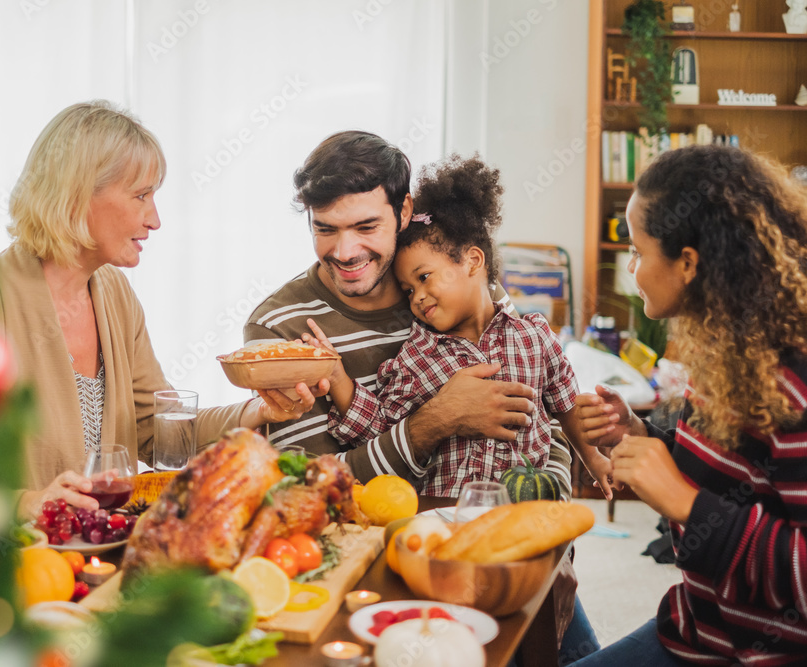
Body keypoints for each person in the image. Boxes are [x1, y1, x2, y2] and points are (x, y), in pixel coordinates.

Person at [244, 131, 599, 662]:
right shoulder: (283, 327)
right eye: (325, 229)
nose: (346, 251)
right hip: (376, 579)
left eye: (366, 226)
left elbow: (542, 406)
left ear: (404, 210)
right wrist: (435, 421)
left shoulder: (465, 290)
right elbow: (313, 497)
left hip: (510, 553)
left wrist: (537, 496)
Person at [0, 101, 317, 521]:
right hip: (19, 568)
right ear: (77, 194)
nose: (154, 219)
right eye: (141, 196)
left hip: (109, 553)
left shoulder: (115, 292)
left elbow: (155, 430)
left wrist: (259, 410)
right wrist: (29, 503)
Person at [571, 145, 807, 666]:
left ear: (688, 263)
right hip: (698, 628)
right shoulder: (730, 351)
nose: (631, 269)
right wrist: (642, 435)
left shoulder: (794, 386)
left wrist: (683, 502)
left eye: (637, 251)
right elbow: (735, 478)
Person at [305, 155, 613, 498]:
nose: (417, 297)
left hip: (526, 511)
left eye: (424, 278)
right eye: (408, 290)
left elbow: (565, 405)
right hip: (447, 516)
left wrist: (593, 458)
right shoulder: (417, 358)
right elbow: (380, 427)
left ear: (473, 261)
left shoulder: (534, 336)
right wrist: (336, 377)